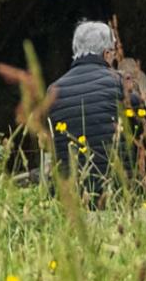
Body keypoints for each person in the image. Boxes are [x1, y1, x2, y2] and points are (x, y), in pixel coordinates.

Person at [46, 21, 127, 194]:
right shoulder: (121, 84)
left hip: (70, 196)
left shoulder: (53, 90)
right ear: (106, 53)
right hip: (117, 192)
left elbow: (49, 145)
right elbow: (144, 137)